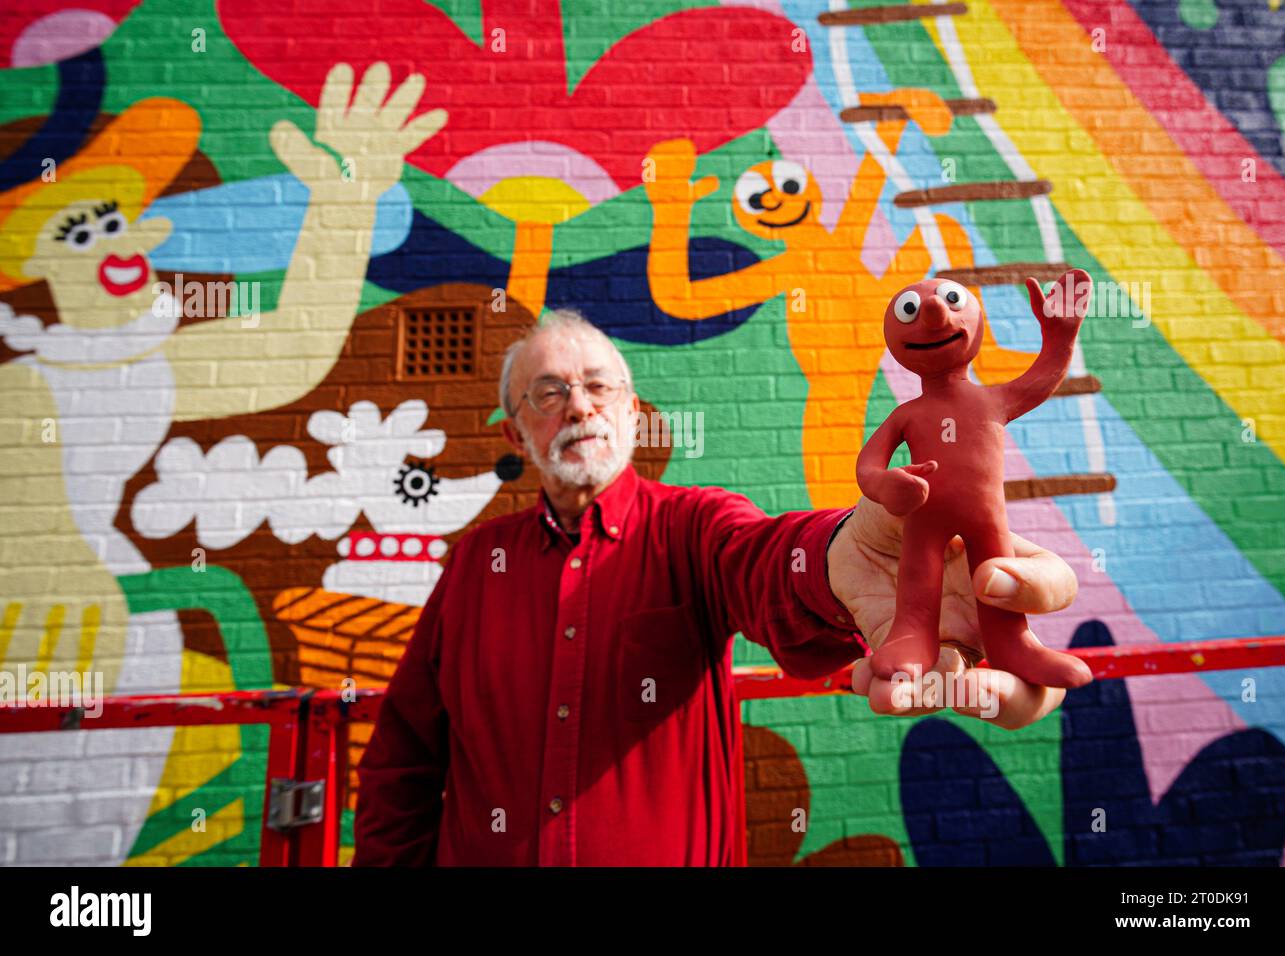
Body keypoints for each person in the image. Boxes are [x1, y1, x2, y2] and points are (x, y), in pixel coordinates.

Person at [352, 309, 1079, 866]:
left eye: (601, 388)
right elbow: (402, 758)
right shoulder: (477, 565)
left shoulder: (691, 528)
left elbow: (763, 559)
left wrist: (840, 558)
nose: (580, 407)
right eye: (549, 393)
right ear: (516, 435)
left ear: (631, 413)